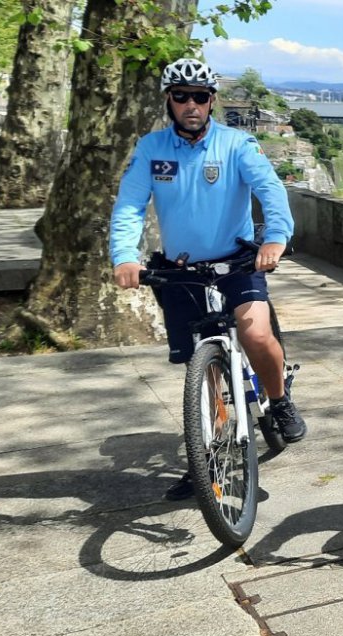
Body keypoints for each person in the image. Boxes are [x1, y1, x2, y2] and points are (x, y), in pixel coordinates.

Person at [109, 57, 307, 501]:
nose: (191, 104)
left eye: (200, 96)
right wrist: (124, 256)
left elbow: (270, 190)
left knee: (256, 334)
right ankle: (210, 454)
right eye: (182, 96)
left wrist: (275, 239)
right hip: (179, 271)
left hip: (237, 262)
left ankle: (277, 401)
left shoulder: (238, 145)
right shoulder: (151, 148)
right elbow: (129, 206)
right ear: (169, 100)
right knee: (202, 369)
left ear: (212, 101)